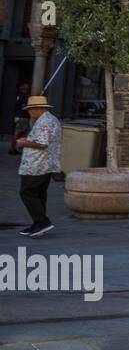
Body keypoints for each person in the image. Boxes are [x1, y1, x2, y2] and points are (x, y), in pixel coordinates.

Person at [16, 95, 60, 237]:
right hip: (44, 164)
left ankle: (42, 222)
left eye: (30, 109)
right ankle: (38, 223)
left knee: (27, 192)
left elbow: (42, 144)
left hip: (37, 165)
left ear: (37, 109)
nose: (29, 112)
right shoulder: (48, 119)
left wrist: (24, 143)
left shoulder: (45, 122)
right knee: (39, 193)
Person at [9, 80, 30, 155]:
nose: (27, 85)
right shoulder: (24, 96)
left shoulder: (19, 95)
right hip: (23, 117)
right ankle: (13, 149)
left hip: (19, 116)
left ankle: (15, 149)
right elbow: (24, 107)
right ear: (21, 87)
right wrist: (31, 107)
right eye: (24, 84)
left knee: (19, 134)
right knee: (19, 134)